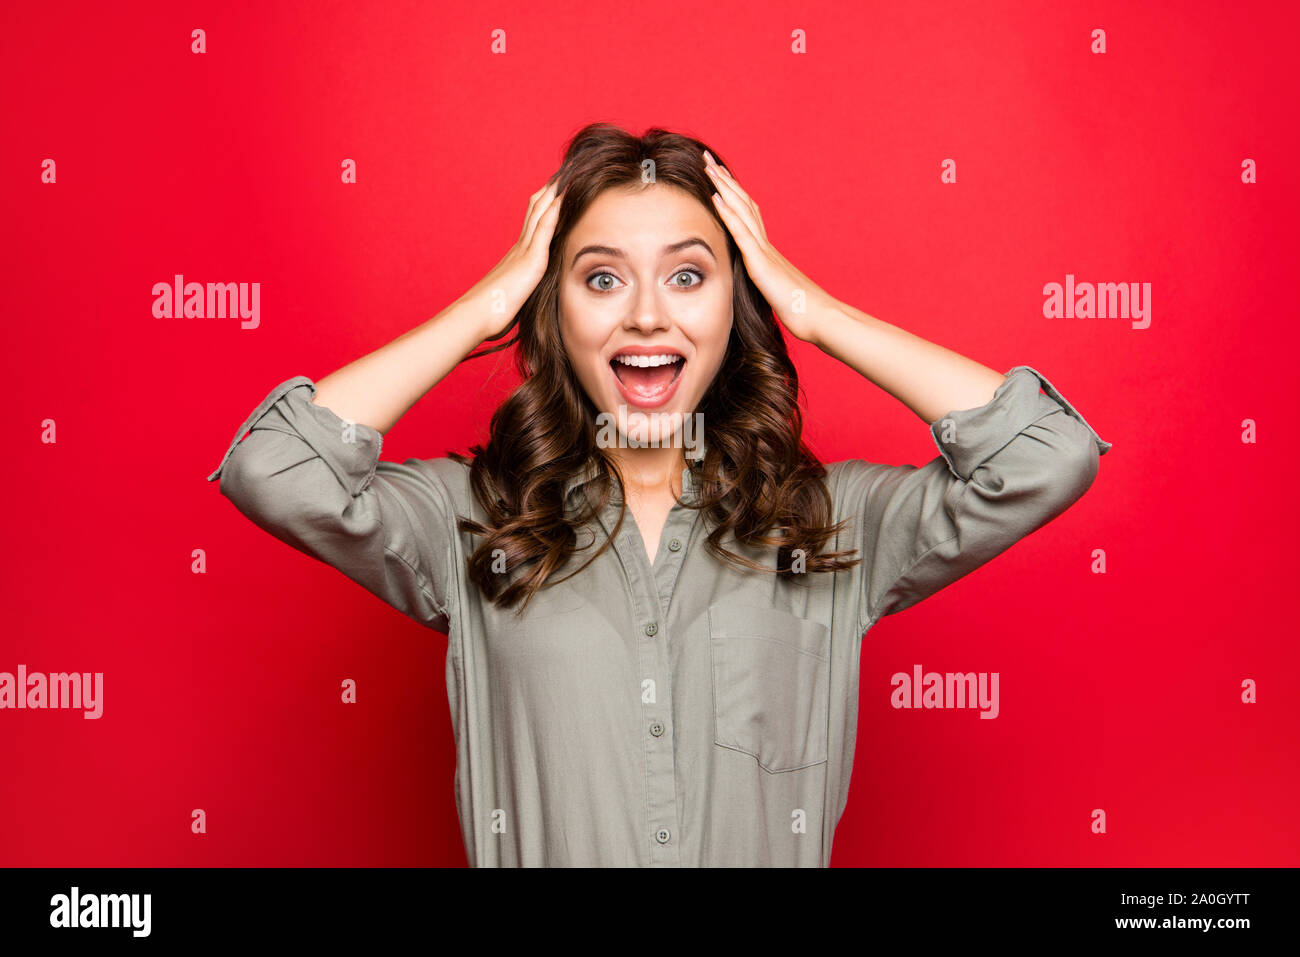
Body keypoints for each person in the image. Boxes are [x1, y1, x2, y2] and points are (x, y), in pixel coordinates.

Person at [206, 123, 1112, 867]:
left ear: (734, 306)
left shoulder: (832, 525)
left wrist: (810, 310)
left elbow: (1047, 454)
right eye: (600, 278)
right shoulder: (471, 522)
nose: (646, 314)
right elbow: (274, 468)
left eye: (688, 274)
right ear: (555, 311)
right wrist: (484, 308)